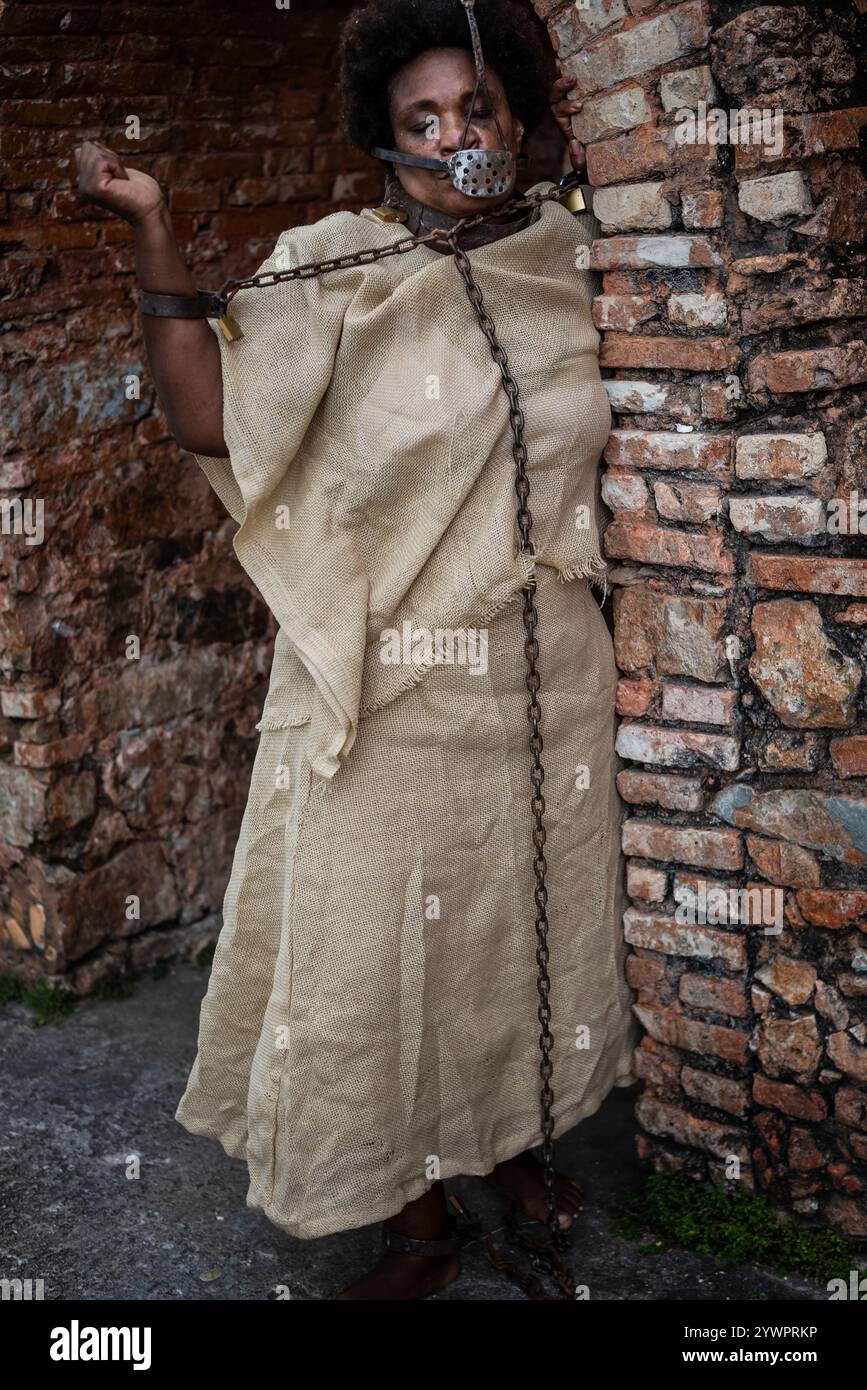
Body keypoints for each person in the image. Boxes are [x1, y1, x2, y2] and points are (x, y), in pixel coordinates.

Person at [74, 0, 640, 1301]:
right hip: (384, 693)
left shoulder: (577, 255)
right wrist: (154, 229)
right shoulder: (334, 264)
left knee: (525, 942)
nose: (459, 138)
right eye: (423, 120)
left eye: (477, 109)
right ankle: (417, 1213)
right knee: (382, 962)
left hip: (544, 683)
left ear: (522, 114)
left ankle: (510, 1164)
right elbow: (211, 419)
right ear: (384, 145)